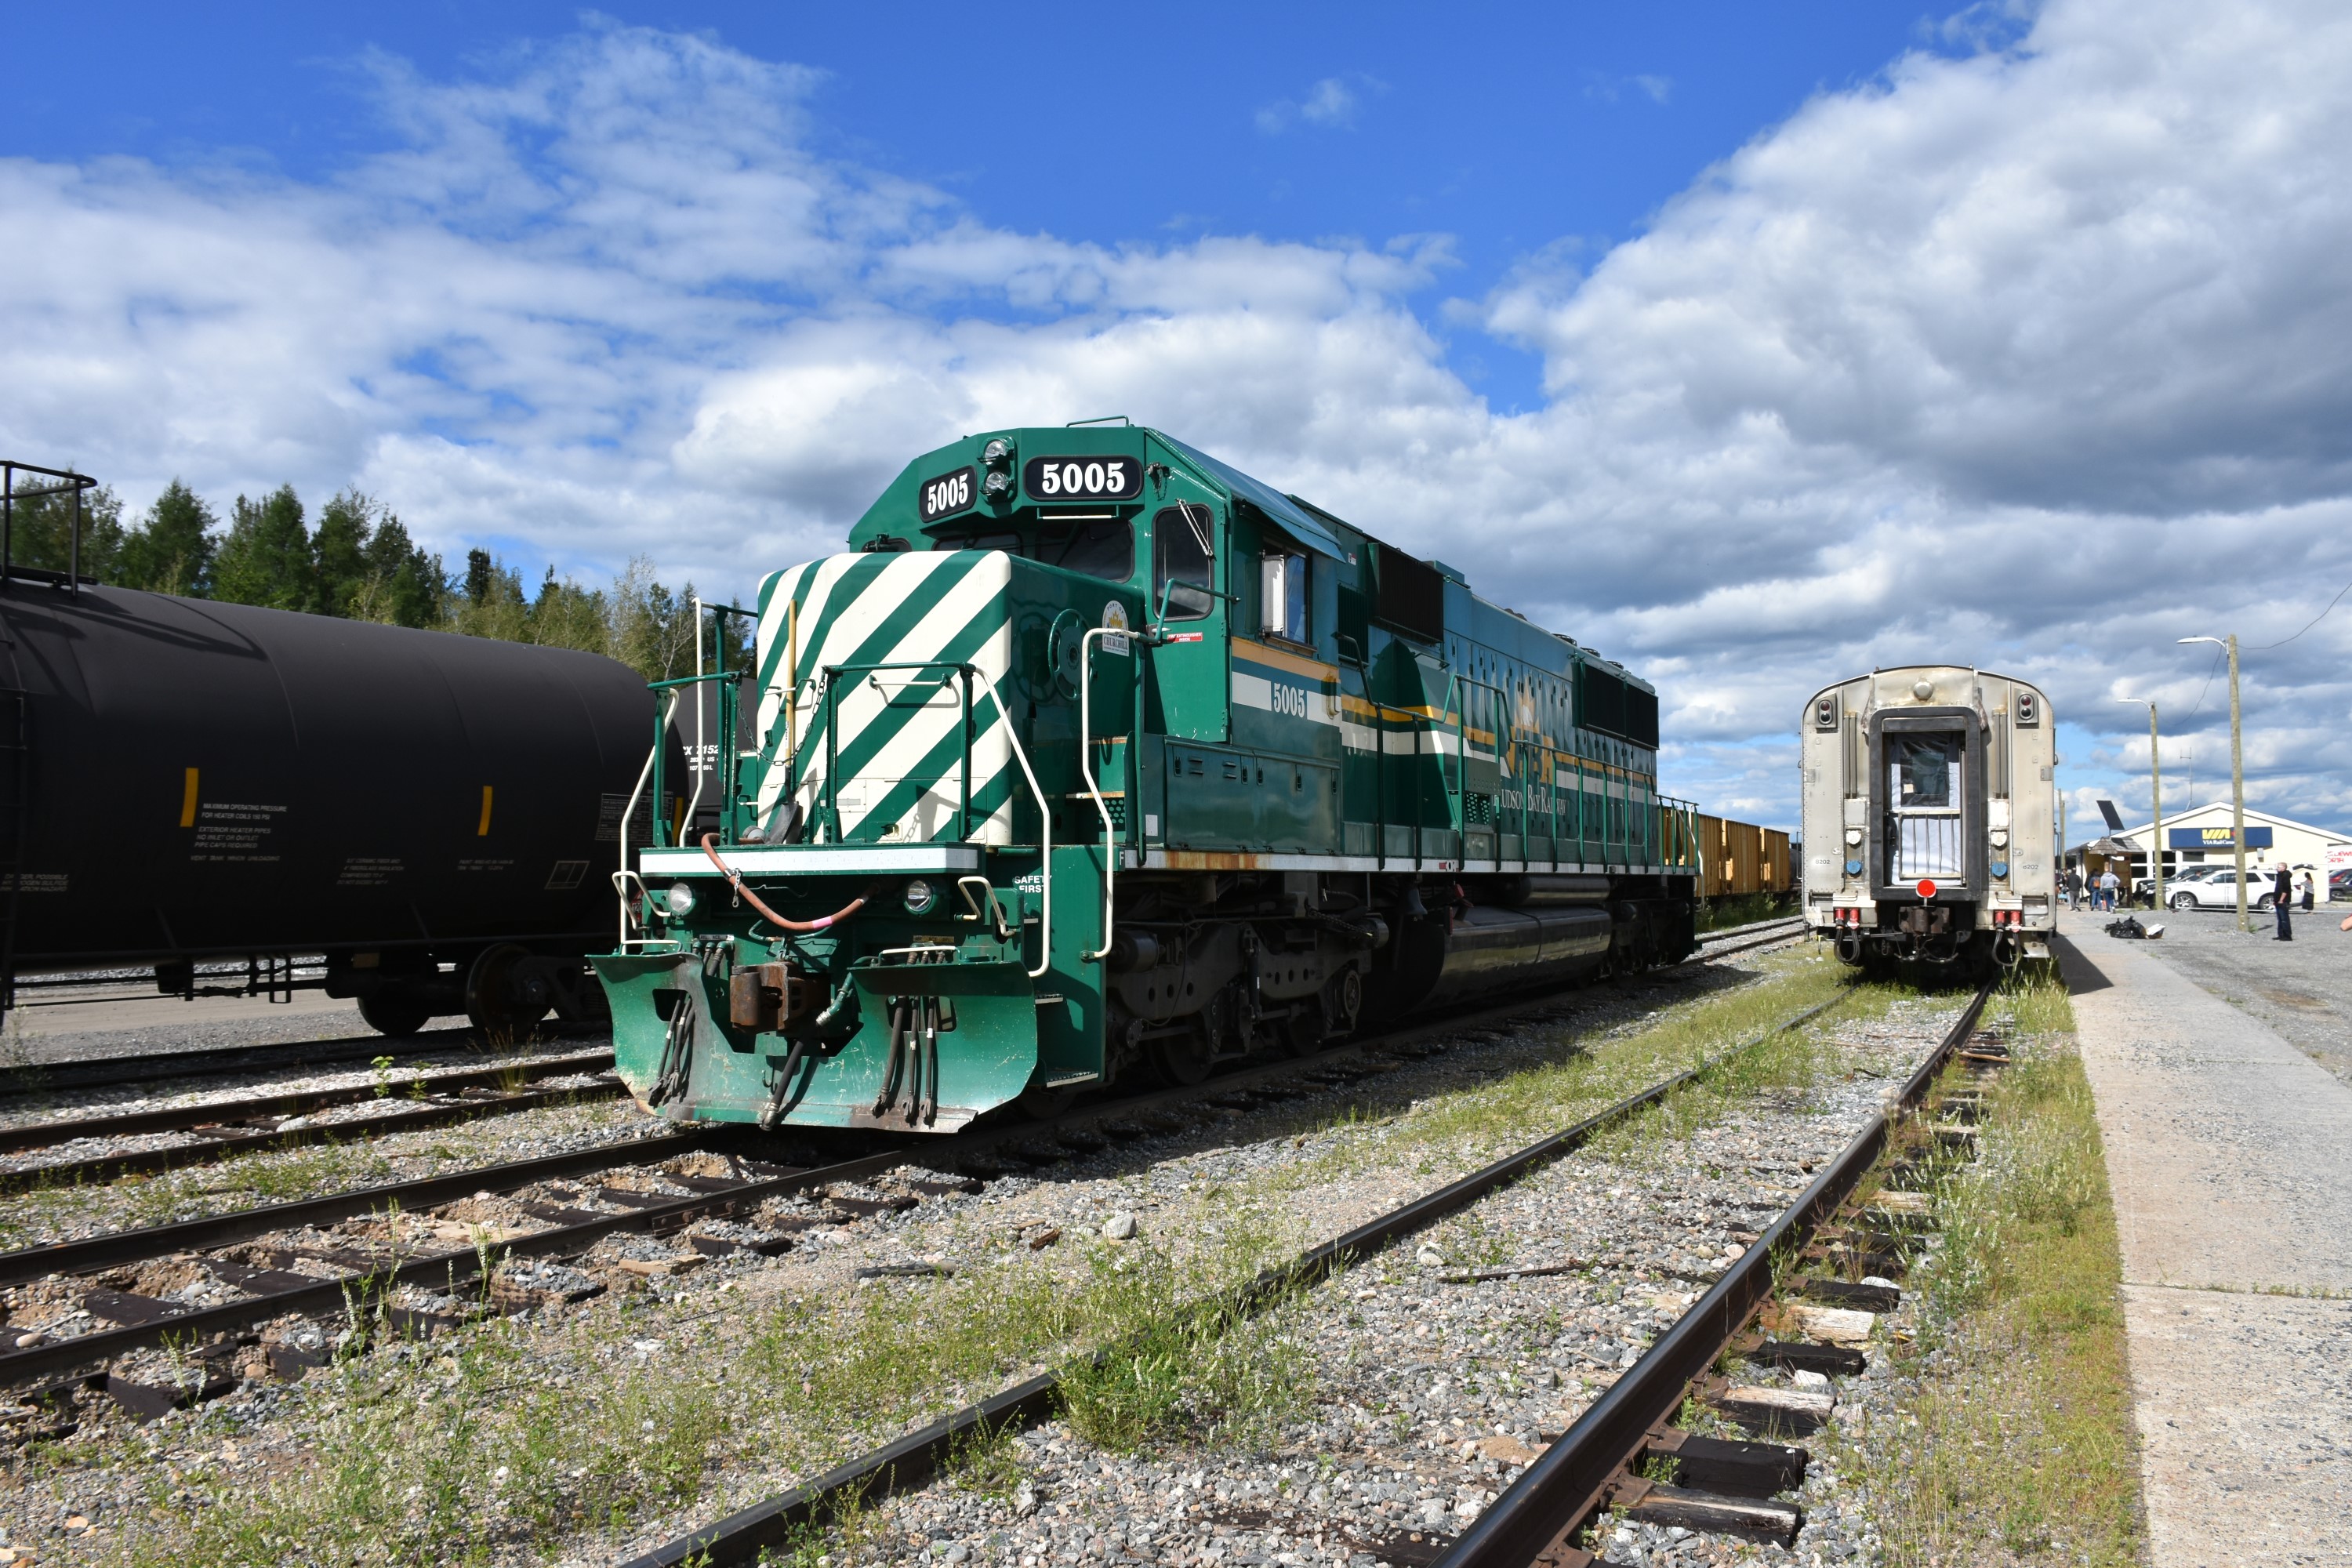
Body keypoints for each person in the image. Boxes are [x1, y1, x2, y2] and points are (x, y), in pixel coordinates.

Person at [2273, 862, 2293, 941]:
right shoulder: (2279, 876)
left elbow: (2285, 889)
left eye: (2279, 867)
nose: (2277, 868)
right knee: (2280, 919)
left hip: (2283, 901)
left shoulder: (2286, 876)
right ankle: (2281, 935)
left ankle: (2287, 936)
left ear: (2283, 868)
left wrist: (2281, 899)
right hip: (2278, 900)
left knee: (2284, 919)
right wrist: (2276, 900)